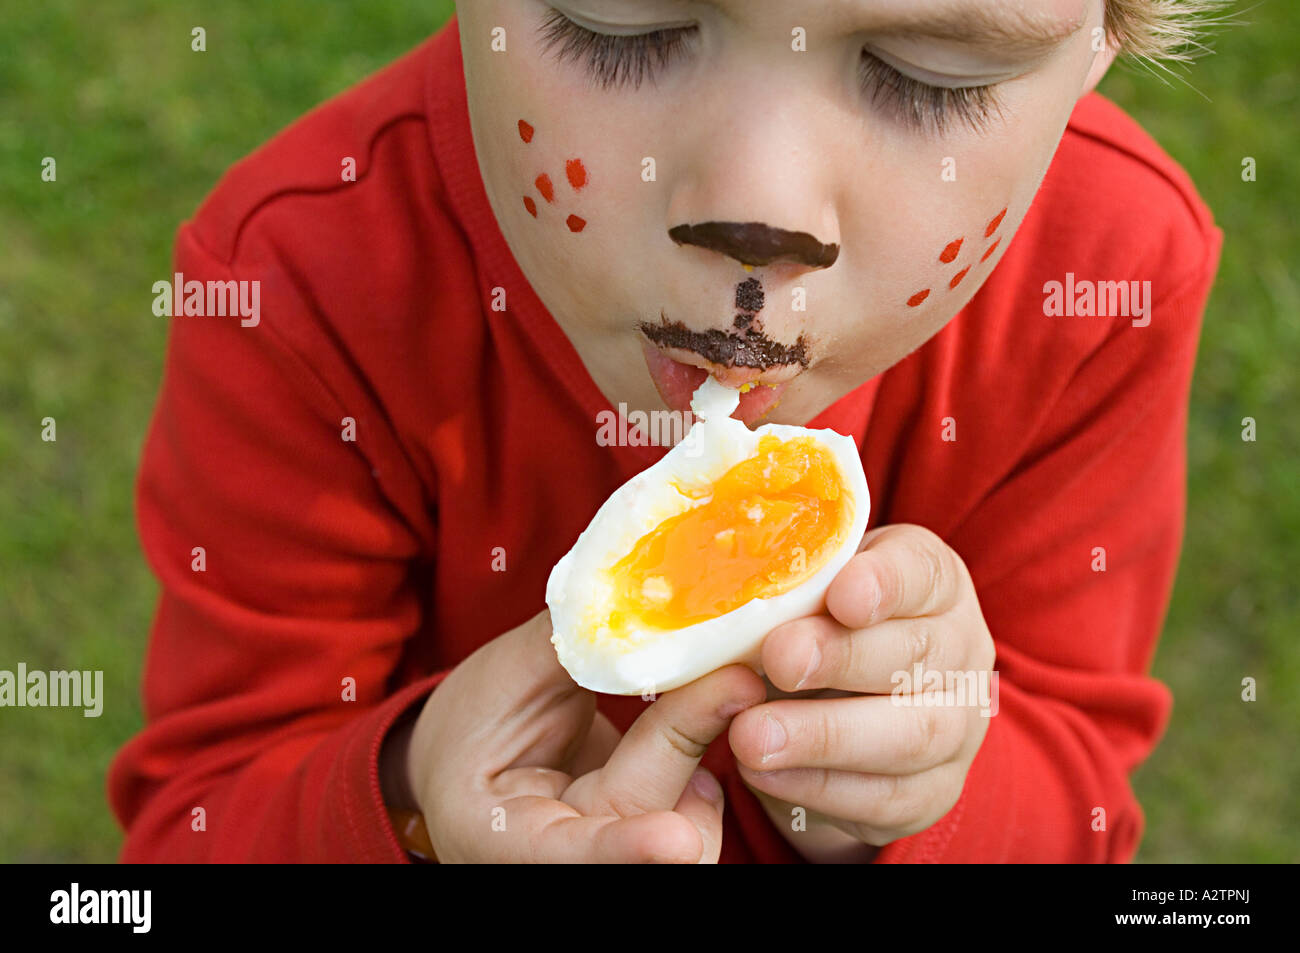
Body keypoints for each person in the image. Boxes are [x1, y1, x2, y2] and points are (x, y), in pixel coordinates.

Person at [109, 0, 1225, 863]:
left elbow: (1079, 799)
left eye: (933, 78)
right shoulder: (301, 284)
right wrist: (407, 790)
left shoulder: (1106, 278)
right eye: (620, 25)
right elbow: (198, 817)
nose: (761, 212)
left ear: (1097, 50)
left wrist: (913, 795)